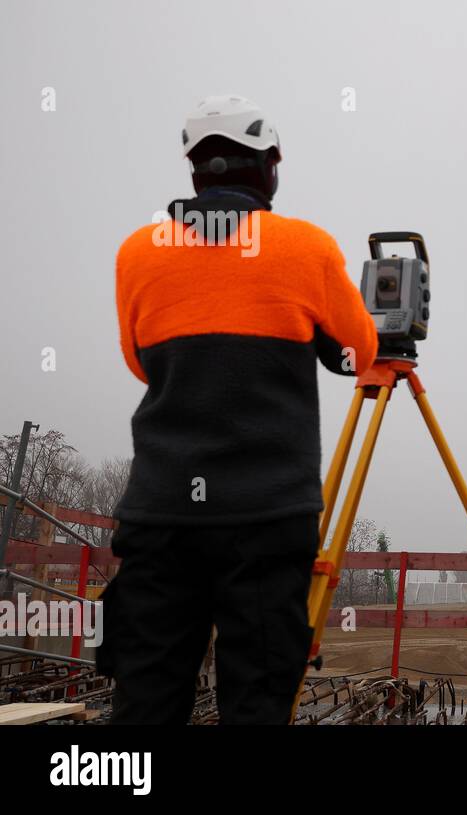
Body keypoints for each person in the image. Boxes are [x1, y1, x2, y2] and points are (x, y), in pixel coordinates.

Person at [100, 96, 379, 724]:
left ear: (196, 172)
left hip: (163, 513)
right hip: (267, 516)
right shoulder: (305, 248)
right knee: (257, 696)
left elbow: (140, 362)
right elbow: (361, 348)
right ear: (269, 169)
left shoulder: (136, 253)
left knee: (145, 693)